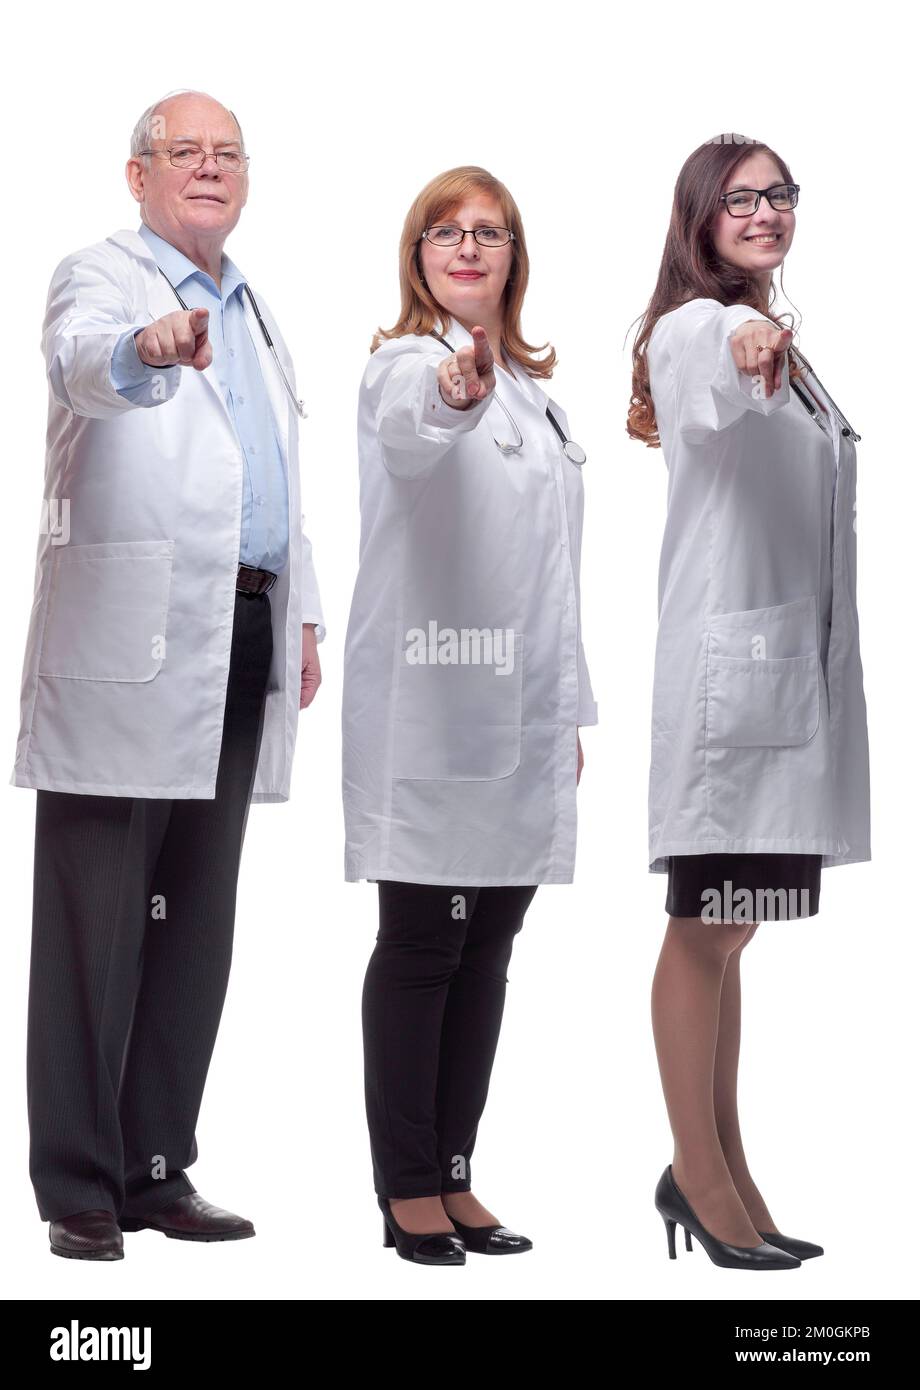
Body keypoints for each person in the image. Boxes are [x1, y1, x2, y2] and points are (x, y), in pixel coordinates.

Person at [11, 89, 324, 1260]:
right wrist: (146, 349)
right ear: (135, 175)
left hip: (239, 628)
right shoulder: (101, 277)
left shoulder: (251, 305)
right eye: (182, 151)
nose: (208, 167)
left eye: (227, 152)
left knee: (192, 916)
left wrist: (304, 619)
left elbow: (272, 474)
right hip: (129, 645)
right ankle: (79, 1180)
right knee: (99, 915)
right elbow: (81, 364)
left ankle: (154, 1164)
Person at [342, 166, 597, 1264]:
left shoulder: (538, 397)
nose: (467, 246)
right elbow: (415, 429)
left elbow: (552, 573)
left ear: (512, 257)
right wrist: (455, 388)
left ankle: (454, 1169)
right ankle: (405, 1186)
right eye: (444, 230)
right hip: (436, 705)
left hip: (521, 716)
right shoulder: (405, 368)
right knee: (422, 946)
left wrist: (565, 712)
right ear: (416, 255)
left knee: (488, 949)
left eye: (488, 231)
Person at [628, 135, 870, 1270]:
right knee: (703, 926)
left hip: (772, 685)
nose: (766, 211)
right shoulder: (696, 327)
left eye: (778, 195)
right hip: (734, 695)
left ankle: (722, 1166)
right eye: (741, 199)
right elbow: (726, 351)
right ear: (700, 219)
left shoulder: (771, 338)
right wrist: (752, 336)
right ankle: (700, 1177)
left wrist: (771, 340)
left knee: (730, 935)